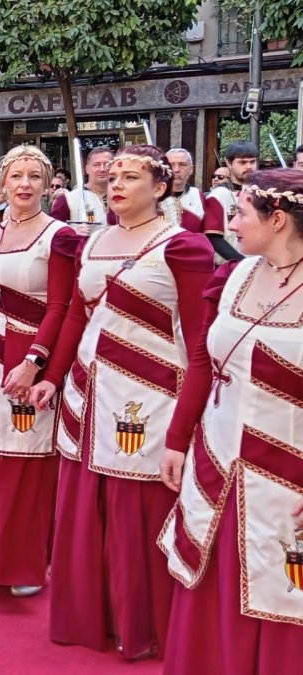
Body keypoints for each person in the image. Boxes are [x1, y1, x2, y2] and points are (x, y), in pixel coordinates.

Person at [29, 145, 214, 660]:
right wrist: (52, 374)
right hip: (87, 390)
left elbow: (201, 344)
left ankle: (144, 625)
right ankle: (91, 617)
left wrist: (187, 423)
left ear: (160, 188)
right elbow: (72, 315)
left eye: (131, 177)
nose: (117, 184)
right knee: (82, 505)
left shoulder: (184, 247)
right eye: (112, 175)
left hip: (150, 396)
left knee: (138, 511)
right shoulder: (89, 242)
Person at [158, 168, 303, 673]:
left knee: (282, 595)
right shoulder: (233, 274)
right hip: (216, 458)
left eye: (240, 213)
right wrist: (178, 438)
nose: (230, 224)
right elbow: (203, 361)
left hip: (288, 475)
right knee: (208, 580)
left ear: (278, 219)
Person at [0, 146, 77, 597]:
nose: (25, 184)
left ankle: (24, 563)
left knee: (25, 460)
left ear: (48, 185)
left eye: (35, 176)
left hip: (27, 356)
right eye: (16, 175)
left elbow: (62, 306)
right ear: (2, 182)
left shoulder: (59, 237)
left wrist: (35, 363)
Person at [205, 141, 257, 263]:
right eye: (243, 162)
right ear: (229, 163)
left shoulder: (262, 192)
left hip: (259, 264)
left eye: (252, 161)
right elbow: (213, 238)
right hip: (229, 266)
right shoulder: (219, 195)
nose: (249, 166)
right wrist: (242, 262)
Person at [51, 145, 114, 233]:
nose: (102, 169)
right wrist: (73, 234)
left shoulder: (122, 198)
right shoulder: (68, 200)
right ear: (87, 169)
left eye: (107, 164)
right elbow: (53, 234)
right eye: (97, 164)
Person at [162, 148, 224, 236]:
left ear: (191, 169)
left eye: (182, 165)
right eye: (171, 165)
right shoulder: (151, 197)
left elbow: (209, 235)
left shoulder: (198, 196)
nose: (176, 170)